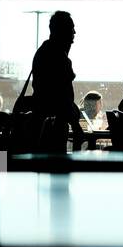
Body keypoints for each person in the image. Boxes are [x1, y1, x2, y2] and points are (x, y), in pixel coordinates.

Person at [30, 10, 81, 150]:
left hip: (44, 122)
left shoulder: (43, 52)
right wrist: (75, 125)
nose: (74, 33)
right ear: (63, 31)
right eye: (71, 28)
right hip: (55, 124)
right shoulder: (60, 57)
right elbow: (63, 96)